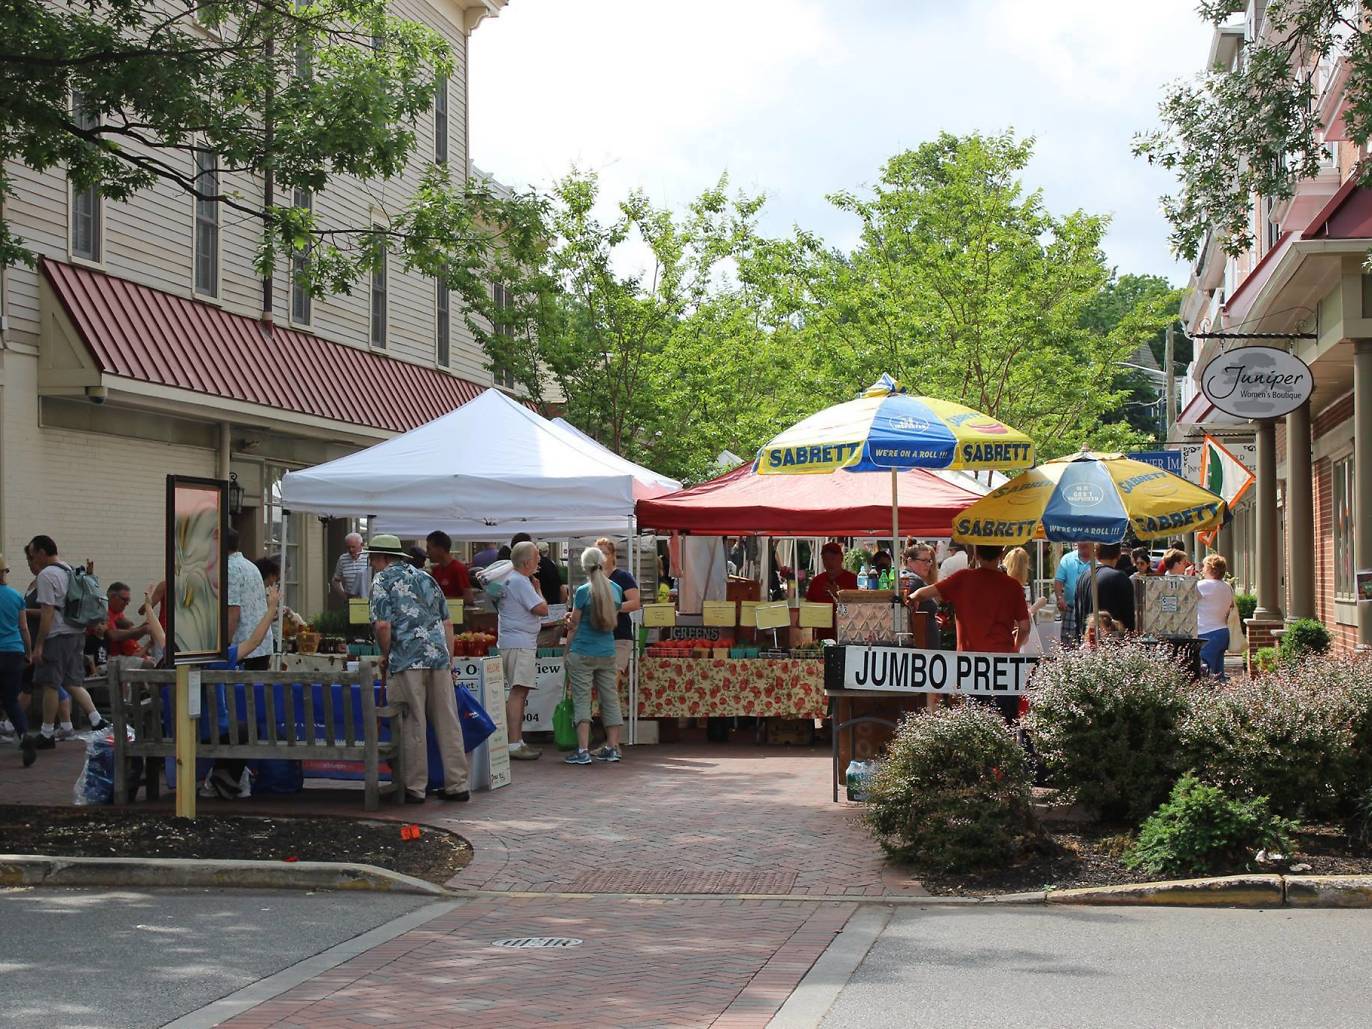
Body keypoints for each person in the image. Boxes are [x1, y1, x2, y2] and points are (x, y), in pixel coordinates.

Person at [367, 533, 469, 803]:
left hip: (407, 658)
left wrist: (386, 653)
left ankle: (415, 787)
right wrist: (449, 659)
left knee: (413, 721)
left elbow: (382, 626)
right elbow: (448, 623)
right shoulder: (426, 577)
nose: (371, 564)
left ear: (380, 558)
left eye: (371, 559)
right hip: (438, 656)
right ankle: (458, 784)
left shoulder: (382, 580)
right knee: (448, 720)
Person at [912, 545, 1029, 721]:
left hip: (970, 663)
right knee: (1006, 722)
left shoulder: (963, 578)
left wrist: (910, 598)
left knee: (974, 722)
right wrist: (1016, 647)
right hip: (1004, 662)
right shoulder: (1012, 585)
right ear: (1001, 554)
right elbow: (1025, 626)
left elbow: (922, 594)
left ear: (975, 553)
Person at [23, 535, 108, 751]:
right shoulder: (69, 569)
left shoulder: (46, 575)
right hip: (77, 632)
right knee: (72, 682)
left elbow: (47, 612)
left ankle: (46, 733)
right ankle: (98, 720)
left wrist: (39, 644)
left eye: (33, 555)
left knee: (50, 684)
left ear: (42, 552)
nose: (32, 559)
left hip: (57, 635)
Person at [198, 584, 282, 799]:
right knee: (250, 729)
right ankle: (223, 774)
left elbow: (160, 635)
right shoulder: (219, 658)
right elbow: (255, 641)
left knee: (238, 729)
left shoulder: (182, 659)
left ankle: (222, 775)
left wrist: (151, 609)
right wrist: (272, 607)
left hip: (186, 730)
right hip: (215, 731)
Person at [563, 545, 624, 766]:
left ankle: (582, 749)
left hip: (583, 652)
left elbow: (574, 626)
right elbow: (609, 619)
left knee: (582, 699)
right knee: (610, 699)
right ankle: (613, 747)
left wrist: (567, 648)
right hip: (607, 652)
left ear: (584, 567)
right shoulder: (616, 590)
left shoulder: (582, 592)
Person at [497, 540, 549, 761]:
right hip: (520, 644)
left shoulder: (512, 580)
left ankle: (516, 741)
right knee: (518, 693)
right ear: (527, 561)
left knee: (518, 692)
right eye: (537, 558)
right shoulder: (520, 582)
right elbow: (542, 609)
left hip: (514, 641)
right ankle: (514, 742)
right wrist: (538, 590)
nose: (539, 562)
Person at [0, 556, 37, 767]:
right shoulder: (15, 596)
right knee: (11, 700)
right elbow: (24, 628)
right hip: (14, 652)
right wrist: (29, 652)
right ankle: (24, 735)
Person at [597, 537, 642, 698]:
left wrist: (616, 606)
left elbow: (636, 603)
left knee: (610, 681)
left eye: (605, 553)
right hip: (598, 637)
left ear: (613, 555)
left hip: (619, 637)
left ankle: (609, 718)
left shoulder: (623, 577)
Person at [226, 529, 273, 671]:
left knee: (238, 692)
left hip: (243, 646)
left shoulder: (229, 569)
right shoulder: (251, 566)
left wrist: (224, 647)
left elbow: (233, 612)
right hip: (262, 643)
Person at [1074, 543, 1136, 633]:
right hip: (1112, 641)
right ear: (1119, 555)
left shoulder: (1082, 577)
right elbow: (1128, 616)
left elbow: (1077, 614)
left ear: (1096, 554)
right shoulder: (1120, 578)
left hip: (1087, 639)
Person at [805, 542, 858, 642]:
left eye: (833, 559)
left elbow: (858, 609)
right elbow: (809, 607)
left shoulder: (853, 580)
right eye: (825, 559)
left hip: (848, 635)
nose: (829, 563)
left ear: (841, 558)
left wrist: (839, 595)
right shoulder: (817, 581)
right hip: (822, 637)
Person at [1197, 554, 1235, 679]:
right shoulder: (1227, 587)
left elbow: (1187, 597)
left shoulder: (1203, 585)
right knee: (1218, 674)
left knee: (1204, 671)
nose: (1202, 569)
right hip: (1222, 631)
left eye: (1204, 566)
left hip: (1206, 632)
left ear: (1210, 569)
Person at [1053, 542, 1094, 647]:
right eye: (1080, 541)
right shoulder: (1067, 559)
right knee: (1068, 644)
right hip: (1071, 609)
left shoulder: (1098, 559)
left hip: (1092, 610)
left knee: (1090, 642)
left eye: (1085, 541)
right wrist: (1060, 597)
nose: (1082, 544)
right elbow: (1058, 581)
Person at [425, 531, 476, 605]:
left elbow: (469, 599)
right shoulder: (436, 570)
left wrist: (445, 601)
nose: (427, 553)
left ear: (440, 549)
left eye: (429, 549)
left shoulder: (458, 569)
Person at [901, 544, 940, 635]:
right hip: (922, 642)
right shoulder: (914, 579)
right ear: (910, 561)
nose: (929, 565)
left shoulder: (910, 577)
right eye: (924, 561)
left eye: (929, 561)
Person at [331, 532, 372, 600]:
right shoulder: (343, 559)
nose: (351, 550)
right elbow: (336, 580)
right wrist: (343, 595)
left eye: (353, 547)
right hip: (351, 599)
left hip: (369, 599)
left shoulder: (369, 557)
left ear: (361, 545)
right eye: (348, 547)